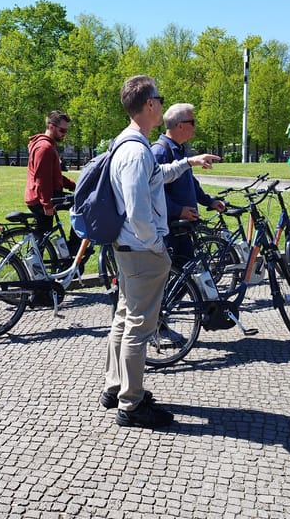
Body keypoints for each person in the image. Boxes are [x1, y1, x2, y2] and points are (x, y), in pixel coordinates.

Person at [100, 75, 219, 429]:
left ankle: (115, 385)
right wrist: (155, 247)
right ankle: (132, 404)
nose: (162, 105)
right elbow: (138, 210)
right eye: (160, 99)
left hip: (128, 249)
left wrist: (188, 162)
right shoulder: (136, 151)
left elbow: (156, 176)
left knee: (123, 318)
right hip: (141, 251)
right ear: (149, 104)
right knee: (139, 327)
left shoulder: (126, 143)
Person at [152, 103, 226, 261]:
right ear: (180, 126)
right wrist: (178, 210)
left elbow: (190, 181)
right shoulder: (160, 151)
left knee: (187, 279)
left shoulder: (179, 149)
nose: (195, 126)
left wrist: (209, 202)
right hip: (169, 231)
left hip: (183, 228)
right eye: (192, 122)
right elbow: (153, 192)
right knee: (172, 280)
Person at [24, 110, 80, 253]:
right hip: (43, 198)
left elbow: (54, 176)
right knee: (82, 203)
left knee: (42, 238)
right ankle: (73, 247)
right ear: (51, 126)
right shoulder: (45, 147)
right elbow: (42, 179)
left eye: (66, 130)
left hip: (42, 196)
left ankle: (39, 269)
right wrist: (47, 205)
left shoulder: (47, 145)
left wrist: (75, 185)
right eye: (62, 130)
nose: (64, 134)